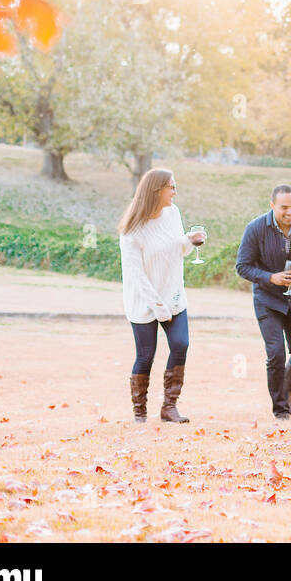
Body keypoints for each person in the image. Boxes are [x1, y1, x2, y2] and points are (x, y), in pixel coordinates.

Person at [119, 168, 206, 424]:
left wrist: (190, 239)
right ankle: (139, 412)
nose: (175, 192)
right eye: (172, 187)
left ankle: (170, 407)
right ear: (156, 191)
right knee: (146, 355)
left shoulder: (173, 213)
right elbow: (136, 275)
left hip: (174, 296)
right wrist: (158, 307)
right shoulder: (131, 231)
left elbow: (179, 249)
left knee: (181, 344)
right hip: (144, 302)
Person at [235, 184, 291, 420]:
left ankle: (285, 389)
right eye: (284, 207)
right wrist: (270, 277)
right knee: (276, 354)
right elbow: (242, 266)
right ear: (272, 205)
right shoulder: (255, 229)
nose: (290, 212)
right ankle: (281, 410)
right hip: (268, 300)